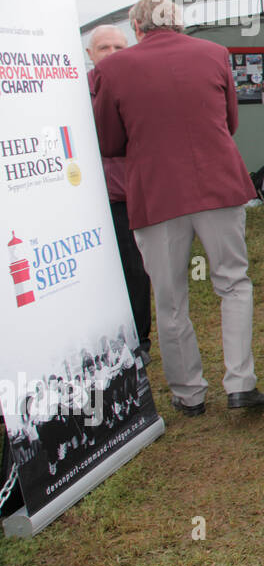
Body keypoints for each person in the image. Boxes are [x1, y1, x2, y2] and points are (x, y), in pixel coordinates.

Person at [91, 0, 264, 417]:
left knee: (169, 299)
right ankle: (240, 382)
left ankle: (189, 393)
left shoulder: (111, 69)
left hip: (157, 194)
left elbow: (109, 143)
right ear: (178, 22)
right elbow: (229, 122)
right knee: (234, 284)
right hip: (218, 185)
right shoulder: (214, 53)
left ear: (137, 28)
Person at [86, 25, 152, 367]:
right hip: (88, 197)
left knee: (135, 270)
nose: (112, 53)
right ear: (90, 54)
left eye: (118, 47)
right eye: (104, 48)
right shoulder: (77, 91)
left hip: (128, 194)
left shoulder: (138, 86)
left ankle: (140, 340)